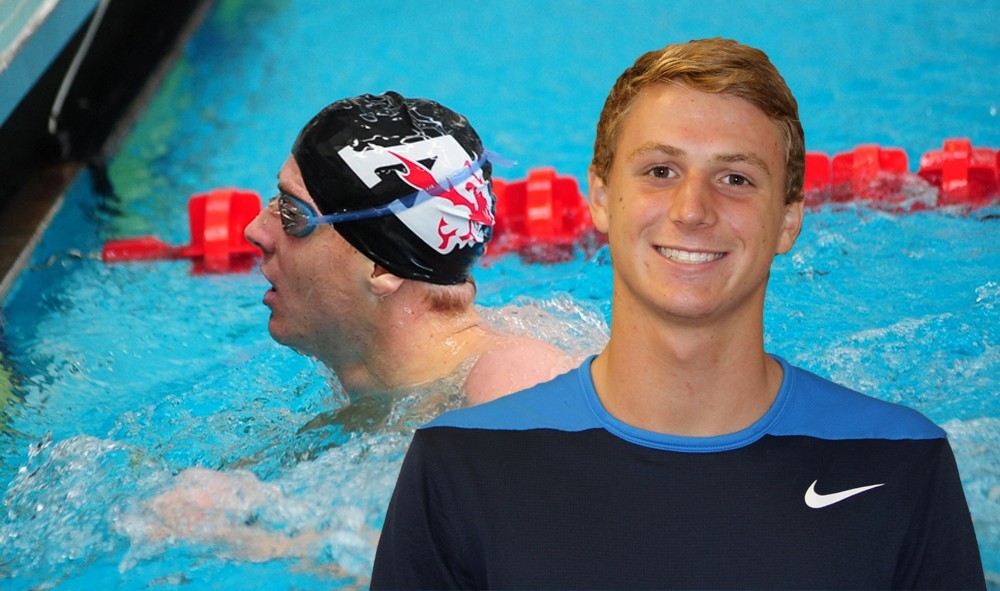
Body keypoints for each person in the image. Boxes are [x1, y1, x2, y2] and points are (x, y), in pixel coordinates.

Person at [370, 39, 987, 589]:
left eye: (737, 178)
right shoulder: (459, 466)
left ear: (789, 220)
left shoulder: (901, 463)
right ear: (602, 199)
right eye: (660, 171)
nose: (692, 209)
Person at [135, 92, 582, 568]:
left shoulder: (510, 380)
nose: (255, 231)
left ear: (381, 267)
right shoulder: (374, 406)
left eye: (293, 215)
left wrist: (260, 546)